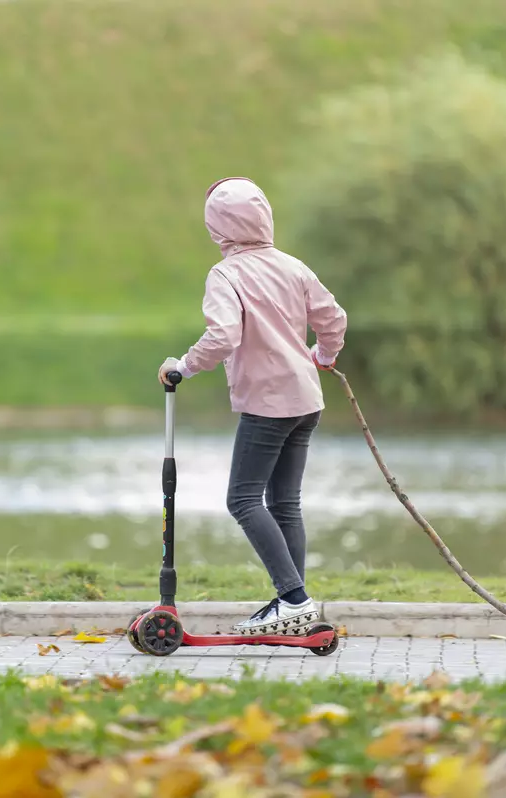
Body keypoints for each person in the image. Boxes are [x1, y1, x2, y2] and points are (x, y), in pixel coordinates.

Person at [158, 176, 348, 637]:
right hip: (306, 399)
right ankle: (294, 608)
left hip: (268, 403)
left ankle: (294, 599)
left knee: (242, 499)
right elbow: (333, 318)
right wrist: (323, 356)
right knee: (285, 503)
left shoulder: (226, 274)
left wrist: (183, 365)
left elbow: (224, 335)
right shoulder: (293, 266)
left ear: (218, 228)